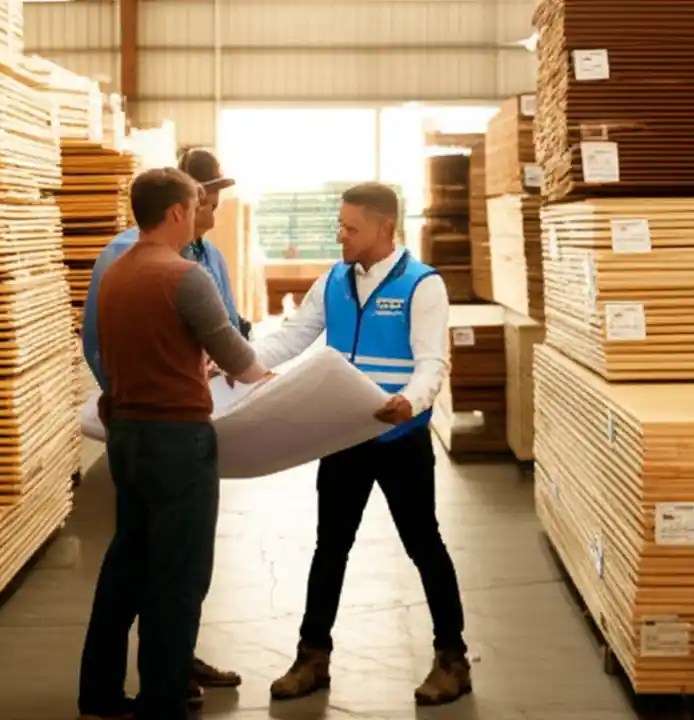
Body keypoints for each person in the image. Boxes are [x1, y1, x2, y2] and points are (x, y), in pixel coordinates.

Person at [250, 182, 471, 707]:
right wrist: (237, 362)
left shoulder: (423, 285)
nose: (340, 234)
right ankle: (312, 656)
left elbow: (432, 363)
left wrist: (411, 402)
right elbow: (290, 338)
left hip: (399, 438)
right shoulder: (333, 281)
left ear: (383, 227)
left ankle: (452, 659)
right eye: (339, 225)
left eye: (350, 227)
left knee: (424, 545)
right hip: (345, 436)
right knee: (331, 546)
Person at [77, 167, 268, 720]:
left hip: (127, 436)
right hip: (178, 442)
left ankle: (100, 696)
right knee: (179, 576)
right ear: (179, 212)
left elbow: (134, 348)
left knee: (126, 569)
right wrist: (268, 379)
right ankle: (162, 699)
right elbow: (236, 353)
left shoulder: (115, 273)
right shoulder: (185, 275)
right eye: (199, 206)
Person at [82, 148, 251, 392]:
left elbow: (231, 335)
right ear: (178, 209)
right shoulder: (119, 257)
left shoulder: (211, 257)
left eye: (215, 208)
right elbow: (97, 344)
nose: (211, 223)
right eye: (204, 209)